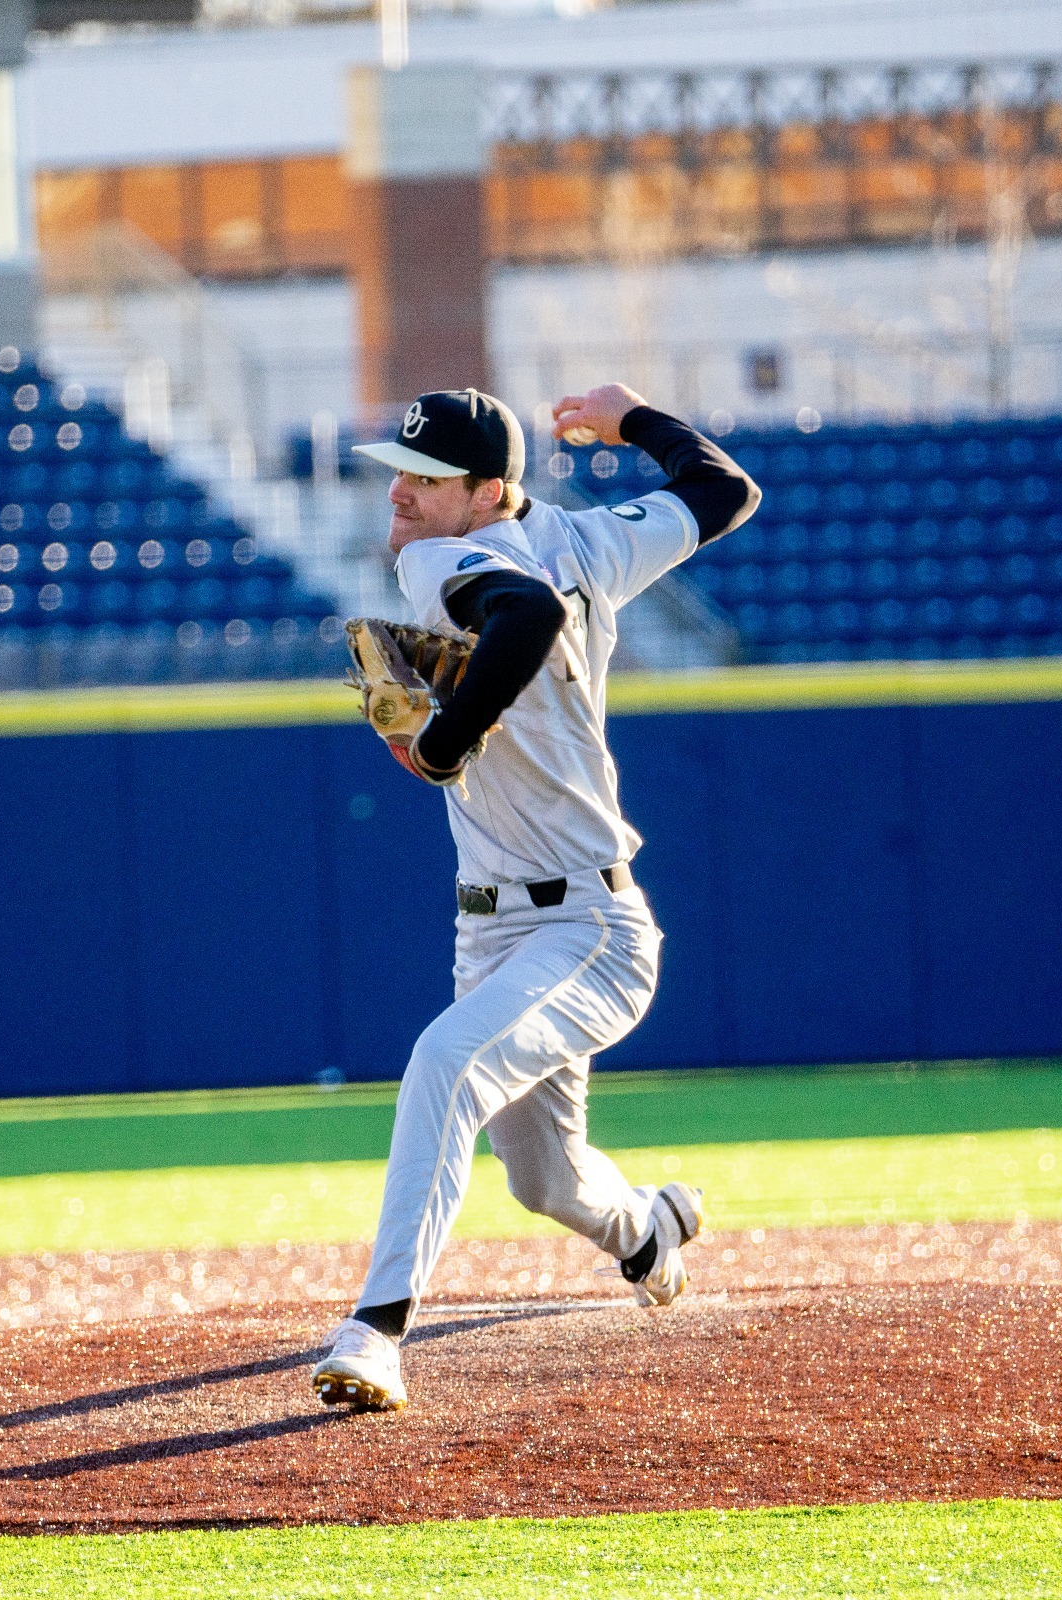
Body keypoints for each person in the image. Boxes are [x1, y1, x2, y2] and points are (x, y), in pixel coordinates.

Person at [312, 384, 761, 1411]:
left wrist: (440, 738)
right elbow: (719, 490)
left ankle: (377, 1327)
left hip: (591, 927)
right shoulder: (588, 537)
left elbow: (526, 610)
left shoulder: (440, 559)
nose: (399, 496)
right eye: (397, 471)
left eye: (425, 481)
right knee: (543, 1179)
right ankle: (647, 1229)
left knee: (442, 1061)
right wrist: (633, 419)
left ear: (486, 491)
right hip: (497, 924)